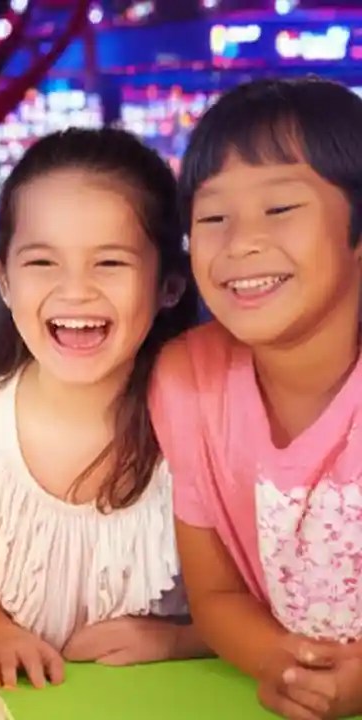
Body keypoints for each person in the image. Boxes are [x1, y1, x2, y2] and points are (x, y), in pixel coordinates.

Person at [0, 127, 207, 690]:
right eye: (43, 263)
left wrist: (176, 640)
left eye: (109, 263)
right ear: (4, 279)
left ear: (168, 285)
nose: (76, 291)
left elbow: (254, 593)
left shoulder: (198, 423)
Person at [152, 77, 362, 719]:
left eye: (280, 210)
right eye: (212, 217)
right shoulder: (187, 380)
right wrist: (280, 663)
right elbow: (214, 592)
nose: (240, 242)